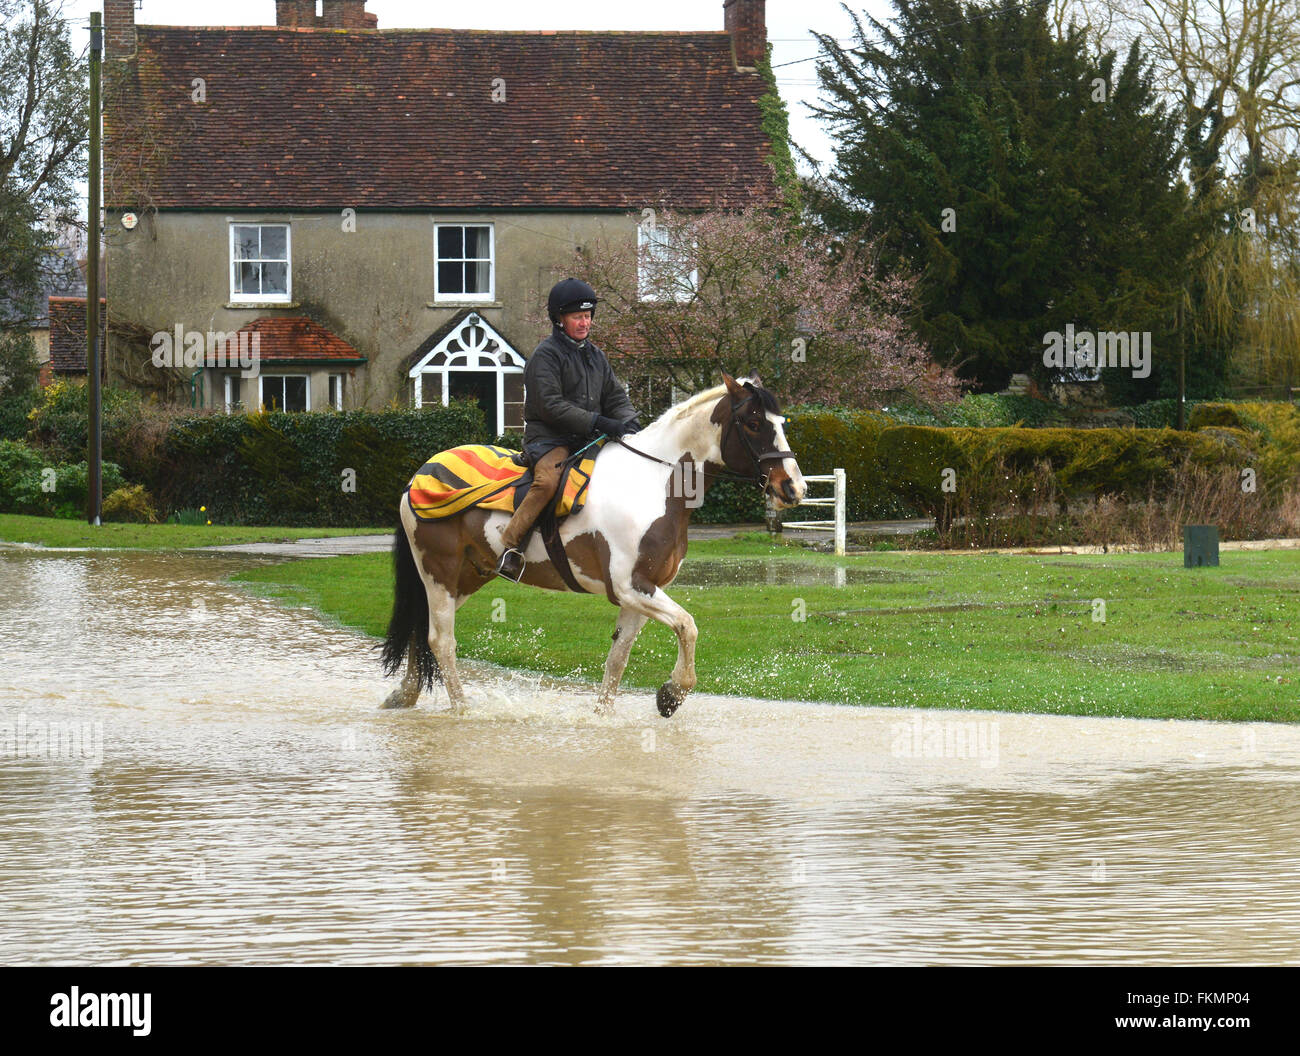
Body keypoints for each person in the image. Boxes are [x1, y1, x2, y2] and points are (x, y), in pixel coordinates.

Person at [494, 278, 641, 581]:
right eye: (577, 317)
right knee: (547, 483)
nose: (584, 322)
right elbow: (551, 405)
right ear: (559, 320)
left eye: (588, 316)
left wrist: (630, 423)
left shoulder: (596, 356)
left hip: (588, 439)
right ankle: (511, 547)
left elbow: (615, 397)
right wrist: (599, 422)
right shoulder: (544, 356)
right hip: (550, 440)